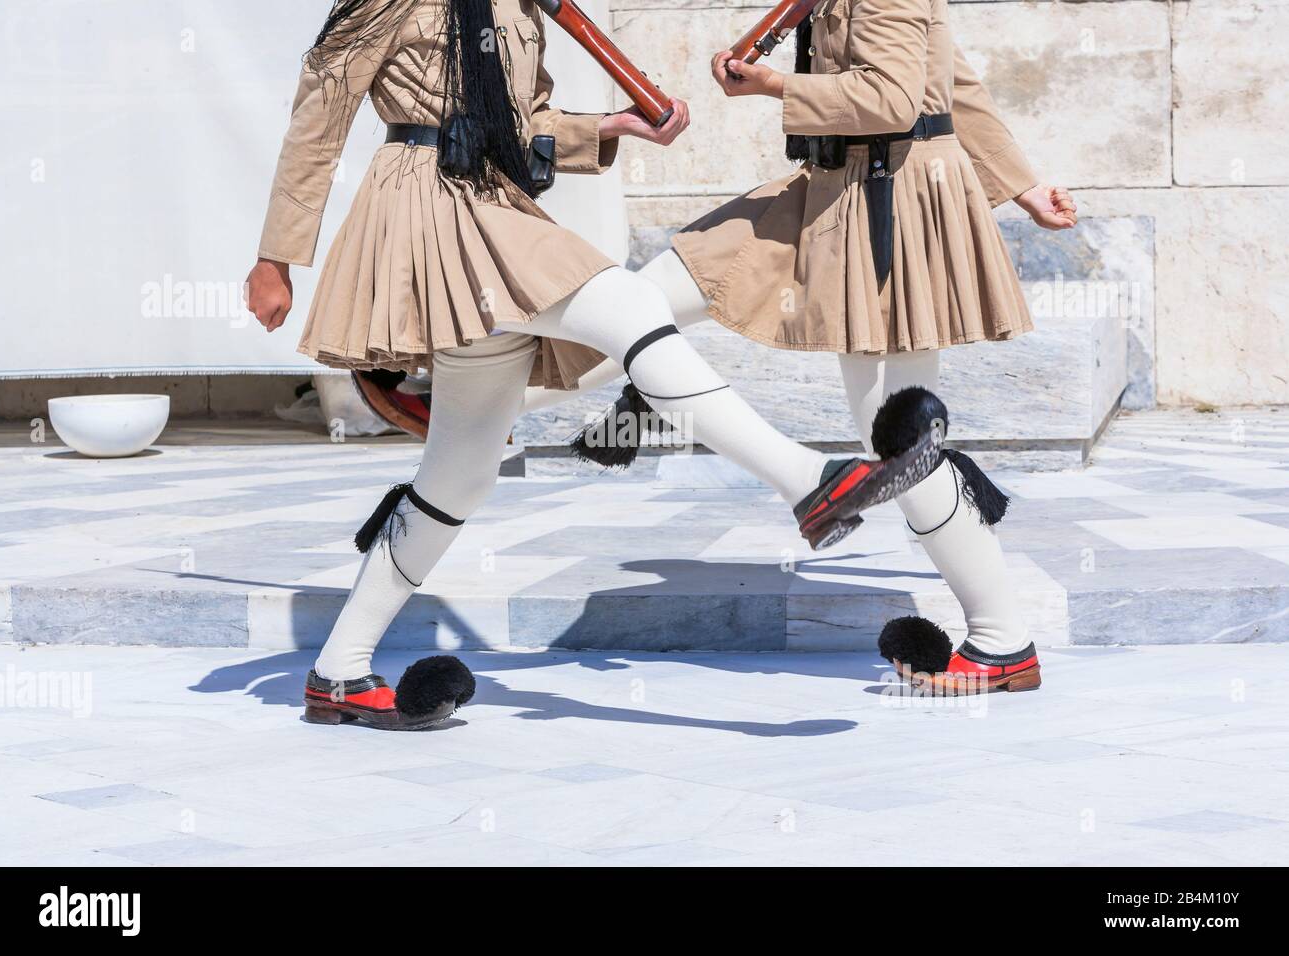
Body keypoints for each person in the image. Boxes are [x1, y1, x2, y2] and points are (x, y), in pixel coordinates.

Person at [244, 0, 940, 728]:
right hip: (426, 205)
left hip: (492, 200)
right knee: (633, 305)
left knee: (459, 470)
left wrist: (611, 128)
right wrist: (275, 257)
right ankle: (806, 480)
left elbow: (525, 123)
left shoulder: (518, 7)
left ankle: (337, 670)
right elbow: (318, 121)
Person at [520, 0, 1078, 694]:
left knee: (901, 443)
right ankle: (473, 399)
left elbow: (898, 97)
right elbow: (952, 75)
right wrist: (1023, 185)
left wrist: (774, 86)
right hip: (825, 189)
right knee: (641, 299)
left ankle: (1003, 641)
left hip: (885, 206)